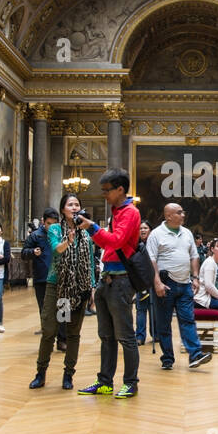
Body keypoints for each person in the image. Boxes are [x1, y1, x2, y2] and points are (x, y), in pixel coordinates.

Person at [76, 168, 142, 398]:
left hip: (122, 281)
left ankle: (131, 383)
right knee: (106, 335)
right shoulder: (117, 212)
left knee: (125, 336)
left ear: (120, 189)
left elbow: (116, 241)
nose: (104, 195)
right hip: (107, 279)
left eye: (107, 191)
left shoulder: (130, 213)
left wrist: (92, 227)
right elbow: (108, 246)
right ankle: (105, 382)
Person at [29, 193, 99, 391]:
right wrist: (68, 240)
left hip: (78, 290)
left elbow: (91, 263)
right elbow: (56, 249)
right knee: (50, 330)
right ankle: (41, 372)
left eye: (77, 204)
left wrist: (92, 288)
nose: (75, 208)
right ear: (62, 209)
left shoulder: (86, 233)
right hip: (58, 287)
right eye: (70, 204)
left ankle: (68, 374)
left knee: (71, 333)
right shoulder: (55, 229)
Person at [146, 203, 212, 370]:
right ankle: (167, 358)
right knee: (164, 324)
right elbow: (150, 261)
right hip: (165, 284)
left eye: (183, 212)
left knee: (188, 320)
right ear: (168, 216)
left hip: (184, 284)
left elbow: (194, 256)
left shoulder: (187, 233)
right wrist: (157, 283)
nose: (183, 215)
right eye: (179, 212)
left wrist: (195, 277)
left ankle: (195, 355)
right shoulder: (156, 235)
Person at [22, 208, 62, 347]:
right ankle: (48, 339)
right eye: (49, 223)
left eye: (54, 224)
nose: (51, 227)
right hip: (42, 278)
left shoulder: (62, 234)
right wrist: (33, 252)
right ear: (43, 221)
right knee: (45, 310)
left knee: (63, 308)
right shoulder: (35, 236)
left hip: (61, 277)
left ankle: (63, 340)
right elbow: (24, 253)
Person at [134, 220, 152, 345]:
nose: (143, 230)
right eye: (140, 228)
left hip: (153, 280)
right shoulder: (135, 244)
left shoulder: (154, 244)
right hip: (140, 282)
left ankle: (155, 334)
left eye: (145, 228)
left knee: (154, 309)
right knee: (141, 309)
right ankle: (140, 336)